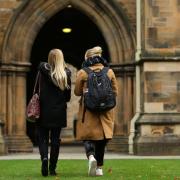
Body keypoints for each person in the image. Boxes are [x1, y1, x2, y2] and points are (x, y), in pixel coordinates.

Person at [74, 46, 118, 176]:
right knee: (101, 140)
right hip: (105, 111)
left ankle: (91, 156)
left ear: (87, 58)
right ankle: (99, 168)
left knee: (88, 137)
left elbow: (76, 92)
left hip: (88, 110)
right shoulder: (109, 72)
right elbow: (115, 92)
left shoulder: (83, 72)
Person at [37, 49, 71, 177]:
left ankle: (44, 158)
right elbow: (67, 97)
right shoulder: (66, 74)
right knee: (55, 140)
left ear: (49, 58)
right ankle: (52, 168)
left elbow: (36, 89)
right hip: (59, 112)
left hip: (43, 110)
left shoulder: (41, 71)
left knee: (43, 138)